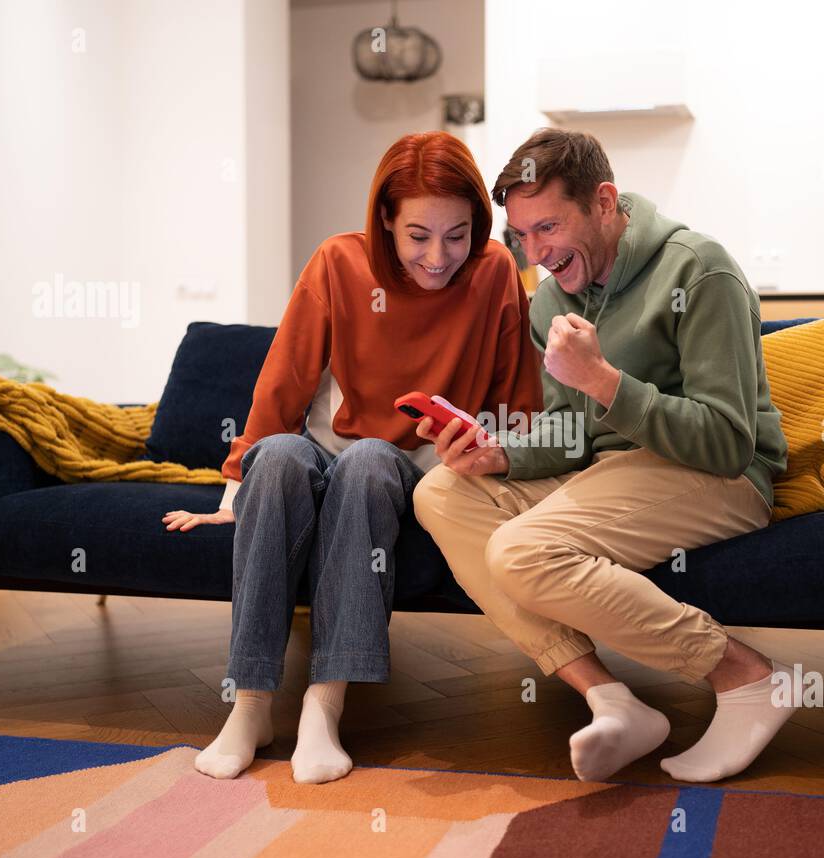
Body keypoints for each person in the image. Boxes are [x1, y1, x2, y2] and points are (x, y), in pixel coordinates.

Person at [411, 128, 794, 784]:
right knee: (439, 492)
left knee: (521, 552)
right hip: (611, 473)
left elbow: (729, 443)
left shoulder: (700, 271)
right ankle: (610, 700)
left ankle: (745, 675)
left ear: (605, 203)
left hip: (718, 477)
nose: (536, 253)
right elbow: (571, 435)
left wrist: (605, 382)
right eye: (521, 236)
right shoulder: (553, 299)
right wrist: (502, 454)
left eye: (550, 227)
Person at [163, 131, 541, 784]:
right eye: (418, 235)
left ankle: (322, 705)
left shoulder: (495, 273)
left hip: (412, 466)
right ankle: (250, 704)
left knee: (368, 459)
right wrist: (237, 495)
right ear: (386, 219)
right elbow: (281, 381)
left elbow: (519, 402)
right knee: (277, 460)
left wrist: (502, 459)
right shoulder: (339, 263)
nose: (438, 256)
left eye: (457, 235)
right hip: (322, 448)